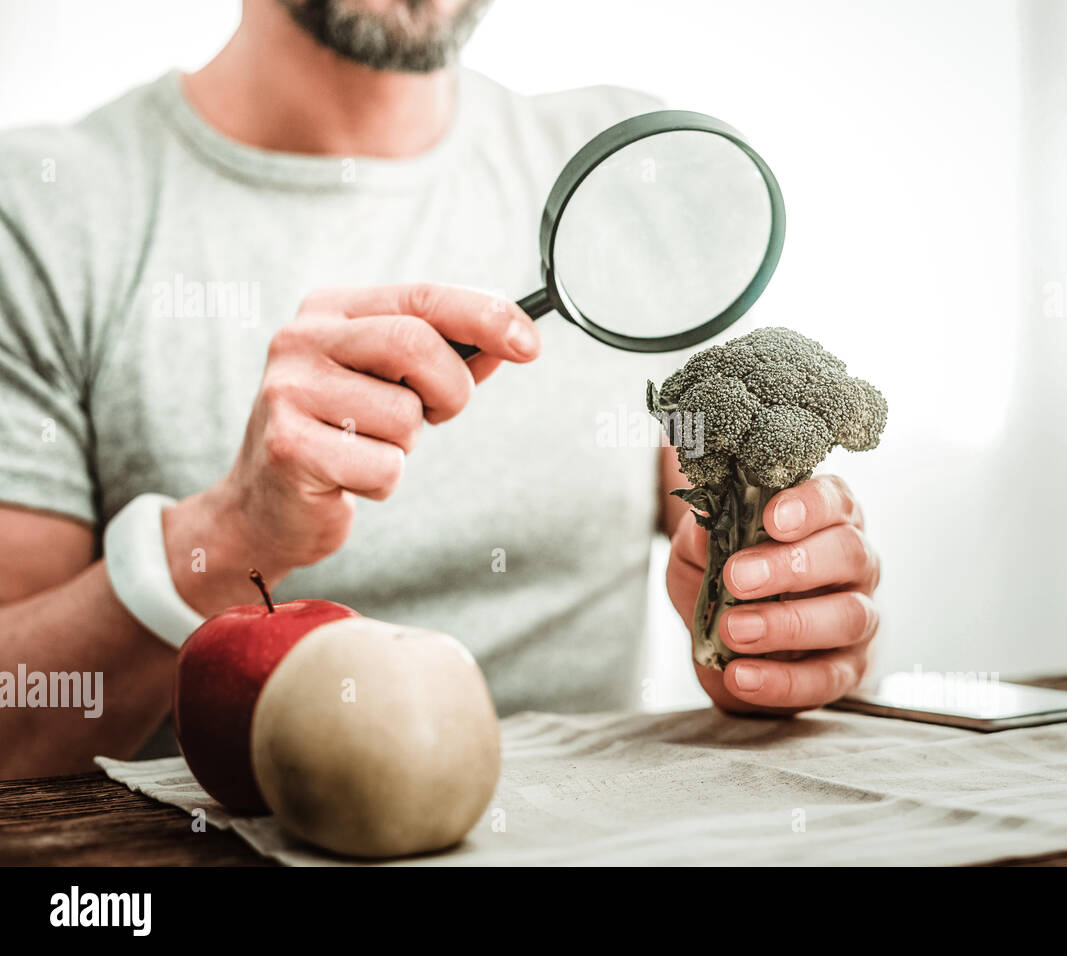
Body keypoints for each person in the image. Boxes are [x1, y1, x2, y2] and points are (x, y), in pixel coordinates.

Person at [0, 0, 880, 779]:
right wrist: (227, 535)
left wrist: (770, 623)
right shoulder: (45, 212)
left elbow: (735, 557)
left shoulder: (640, 177)